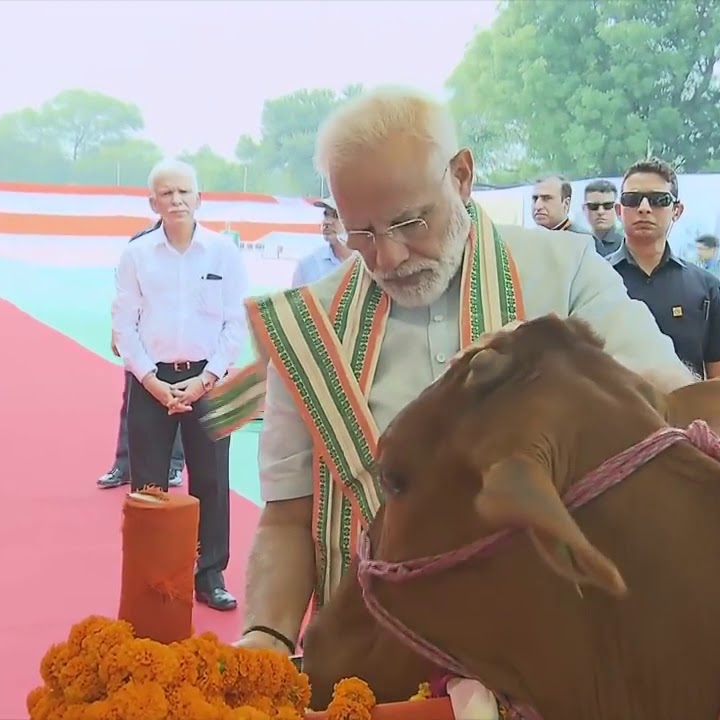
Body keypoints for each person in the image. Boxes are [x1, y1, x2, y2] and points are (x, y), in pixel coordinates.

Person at [234, 87, 692, 654]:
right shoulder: (307, 329)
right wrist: (266, 637)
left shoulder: (566, 274)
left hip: (549, 662)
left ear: (462, 175)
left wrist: (564, 372)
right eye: (362, 234)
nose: (388, 257)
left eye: (409, 222)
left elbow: (676, 411)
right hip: (372, 672)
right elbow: (287, 519)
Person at [111, 159, 250, 611]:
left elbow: (235, 322)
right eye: (167, 194)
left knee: (211, 480)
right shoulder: (136, 255)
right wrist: (150, 380)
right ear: (153, 203)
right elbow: (124, 324)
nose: (176, 201)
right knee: (149, 486)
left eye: (184, 192)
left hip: (208, 380)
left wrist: (206, 378)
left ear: (199, 198)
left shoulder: (223, 253)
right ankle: (153, 578)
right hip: (151, 381)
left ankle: (209, 575)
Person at [609, 159, 720, 379]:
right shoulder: (592, 281)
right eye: (632, 199)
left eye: (658, 200)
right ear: (619, 210)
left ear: (677, 211)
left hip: (687, 402)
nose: (644, 208)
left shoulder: (706, 288)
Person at [99, 218, 184, 490]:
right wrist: (117, 332)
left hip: (180, 344)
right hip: (142, 341)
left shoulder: (197, 245)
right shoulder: (139, 244)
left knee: (178, 402)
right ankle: (124, 464)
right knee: (132, 404)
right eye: (166, 197)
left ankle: (173, 464)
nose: (174, 202)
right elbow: (124, 296)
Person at [291, 197, 352, 287]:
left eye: (336, 216)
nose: (327, 222)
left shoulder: (368, 265)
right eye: (326, 214)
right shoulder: (307, 265)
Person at [581, 179, 624, 257]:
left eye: (607, 206)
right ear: (584, 209)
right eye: (593, 206)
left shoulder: (627, 246)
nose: (600, 212)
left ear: (617, 208)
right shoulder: (578, 245)